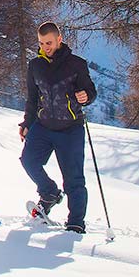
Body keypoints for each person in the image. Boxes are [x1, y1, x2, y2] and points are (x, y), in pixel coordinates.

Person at [19, 20, 96, 234]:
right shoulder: (35, 65)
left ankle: (75, 223)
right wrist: (27, 123)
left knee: (73, 178)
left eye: (49, 43)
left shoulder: (76, 64)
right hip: (43, 126)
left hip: (70, 128)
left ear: (59, 40)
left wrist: (86, 96)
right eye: (42, 43)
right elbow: (32, 98)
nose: (45, 47)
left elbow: (90, 91)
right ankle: (50, 193)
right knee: (28, 161)